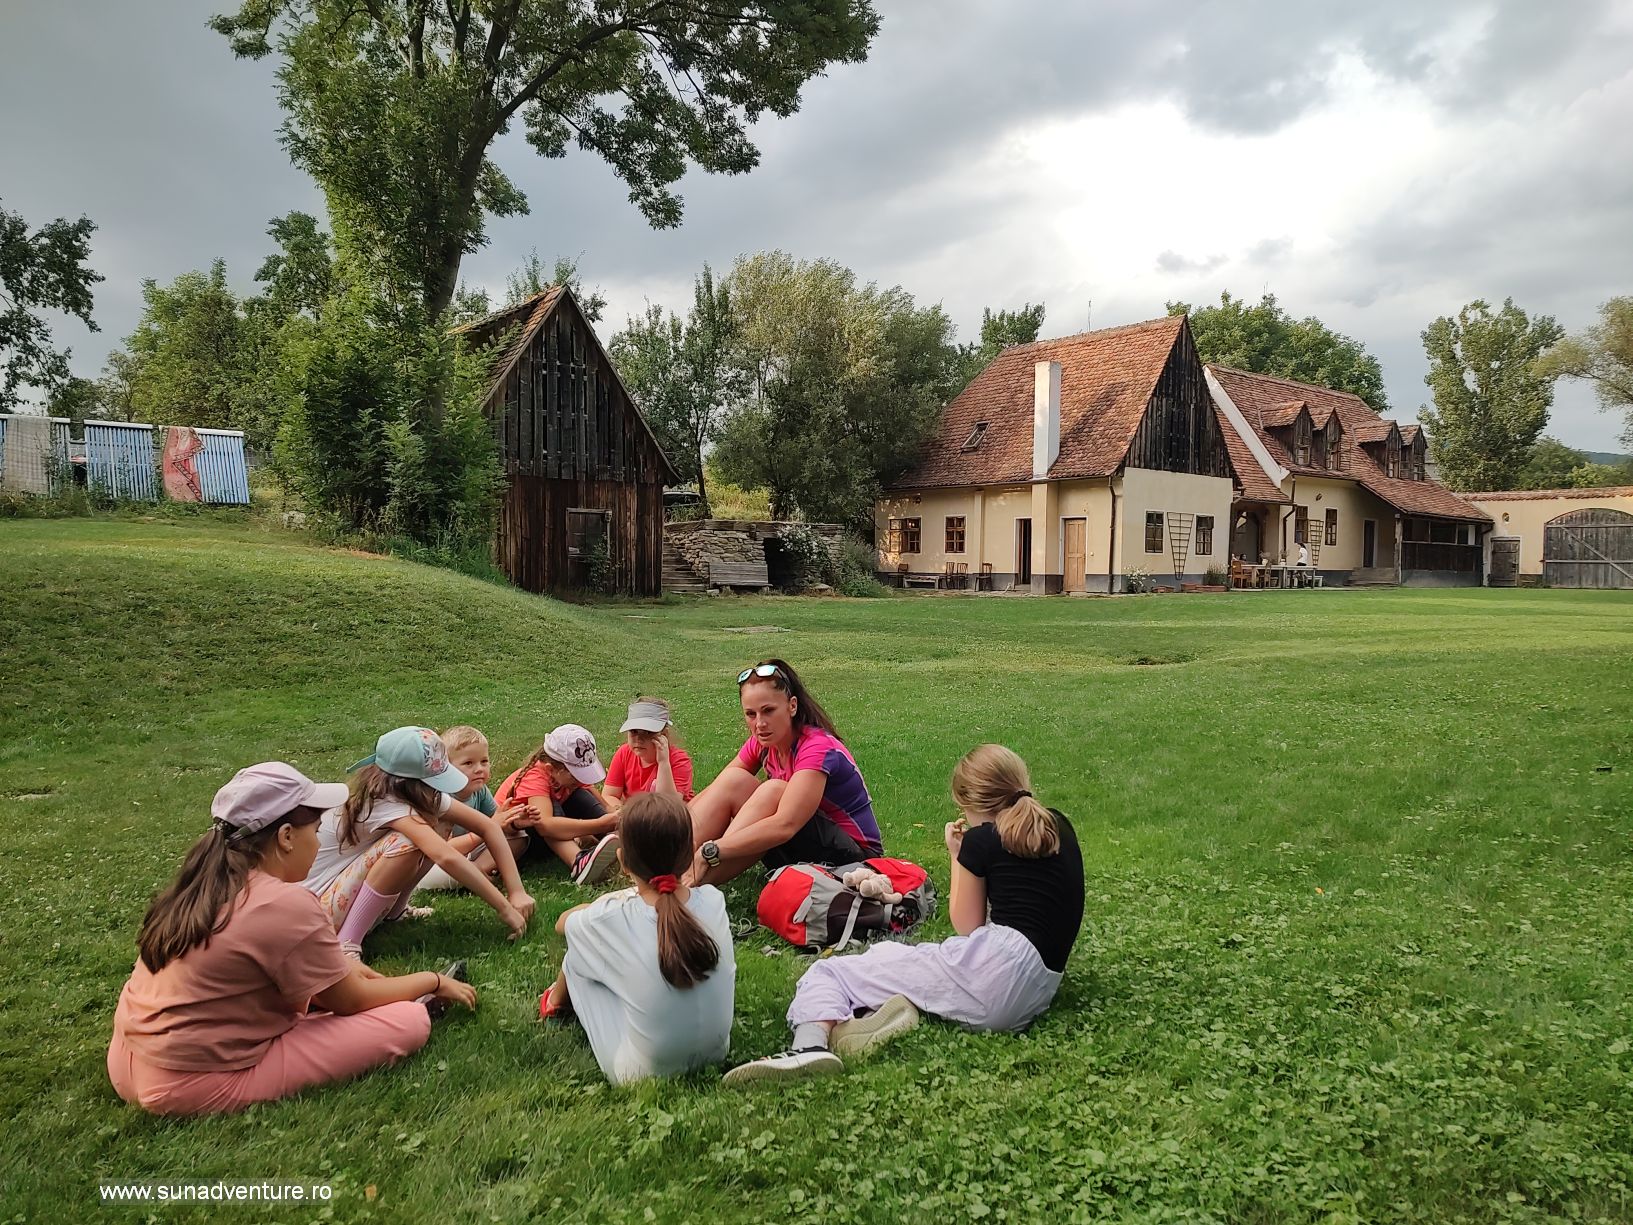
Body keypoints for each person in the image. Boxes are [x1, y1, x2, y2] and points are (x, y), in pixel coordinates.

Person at [107, 763, 477, 1116]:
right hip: (196, 1080)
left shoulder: (201, 884)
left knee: (334, 988)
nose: (317, 842)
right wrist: (433, 980)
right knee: (405, 1021)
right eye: (315, 831)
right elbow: (351, 1000)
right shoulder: (285, 903)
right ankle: (424, 1008)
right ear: (285, 836)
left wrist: (351, 973)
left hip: (129, 1061)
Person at [723, 744, 1083, 1085]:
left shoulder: (981, 841)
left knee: (830, 970)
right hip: (1038, 990)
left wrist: (957, 855)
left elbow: (965, 924)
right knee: (900, 962)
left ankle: (807, 1047)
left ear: (969, 801)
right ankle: (869, 1020)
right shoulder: (1059, 826)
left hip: (993, 976)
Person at [538, 793, 735, 1084]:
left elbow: (562, 925)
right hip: (716, 1053)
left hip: (639, 1074)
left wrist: (599, 905)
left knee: (577, 952)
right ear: (690, 851)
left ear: (623, 861)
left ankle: (554, 1002)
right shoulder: (713, 901)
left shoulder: (609, 917)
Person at [302, 727, 535, 951]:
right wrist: (504, 907)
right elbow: (444, 856)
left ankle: (395, 913)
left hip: (338, 899)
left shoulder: (416, 795)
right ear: (411, 783)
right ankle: (348, 943)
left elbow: (488, 827)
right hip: (315, 915)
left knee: (433, 828)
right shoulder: (385, 802)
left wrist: (516, 891)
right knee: (408, 842)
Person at [686, 660, 882, 886]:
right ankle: (665, 868)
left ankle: (689, 886)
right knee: (735, 781)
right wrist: (669, 827)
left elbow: (785, 825)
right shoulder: (763, 742)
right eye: (751, 714)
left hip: (856, 862)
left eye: (768, 711)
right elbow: (719, 789)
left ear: (792, 706)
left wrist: (711, 850)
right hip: (803, 847)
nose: (760, 723)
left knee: (773, 791)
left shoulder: (817, 747)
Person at [496, 724, 620, 885]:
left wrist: (610, 813)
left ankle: (623, 842)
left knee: (579, 794)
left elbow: (590, 791)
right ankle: (578, 861)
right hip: (520, 840)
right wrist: (601, 824)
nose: (581, 779)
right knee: (546, 814)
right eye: (576, 775)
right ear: (551, 769)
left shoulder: (568, 779)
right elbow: (546, 825)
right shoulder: (534, 777)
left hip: (549, 833)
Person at [603, 697, 694, 808]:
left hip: (671, 820)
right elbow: (609, 795)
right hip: (632, 815)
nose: (639, 739)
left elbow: (668, 807)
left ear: (663, 735)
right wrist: (622, 813)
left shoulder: (678, 760)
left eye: (648, 732)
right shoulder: (624, 753)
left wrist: (663, 762)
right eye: (634, 731)